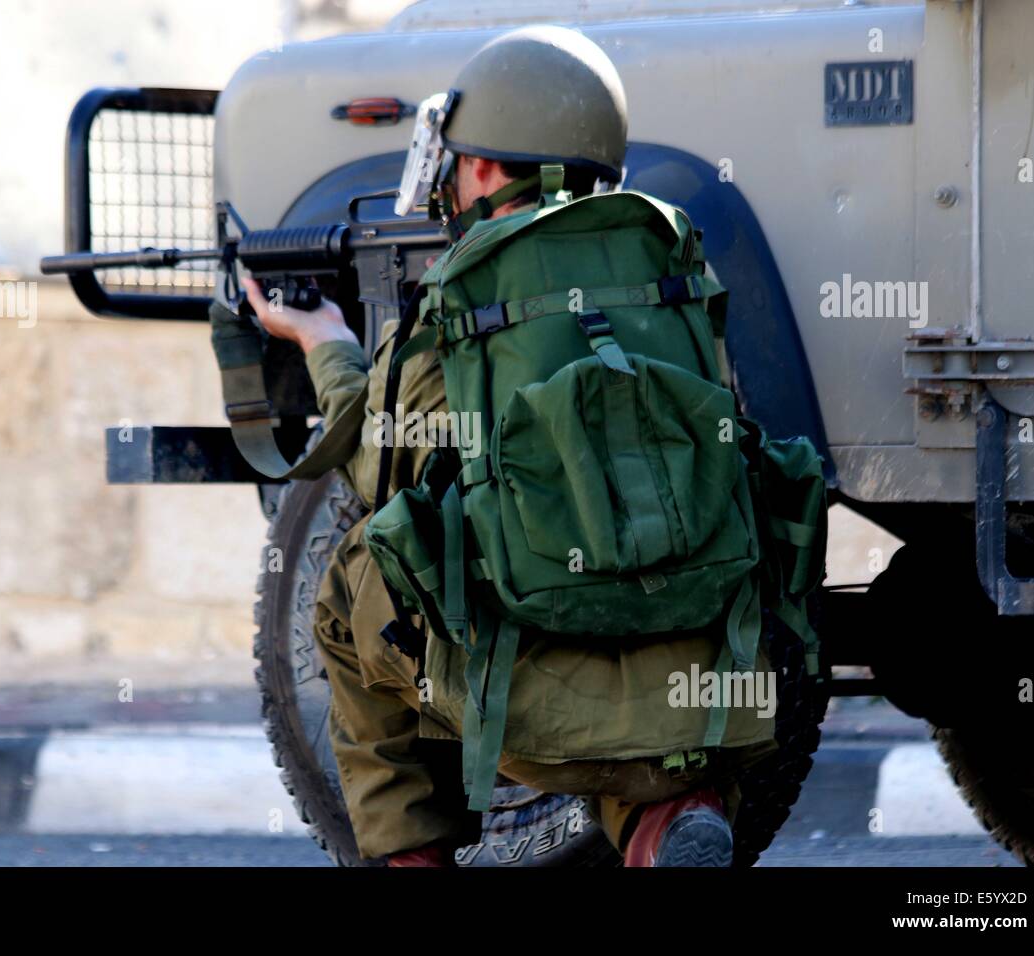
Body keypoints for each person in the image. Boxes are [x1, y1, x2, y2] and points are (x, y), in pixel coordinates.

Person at [241, 25, 776, 867]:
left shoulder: (466, 290)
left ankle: (413, 857)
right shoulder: (672, 260)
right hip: (710, 689)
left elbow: (379, 460)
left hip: (522, 693)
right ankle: (669, 823)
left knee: (355, 577)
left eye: (460, 158)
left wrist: (324, 343)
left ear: (487, 167)